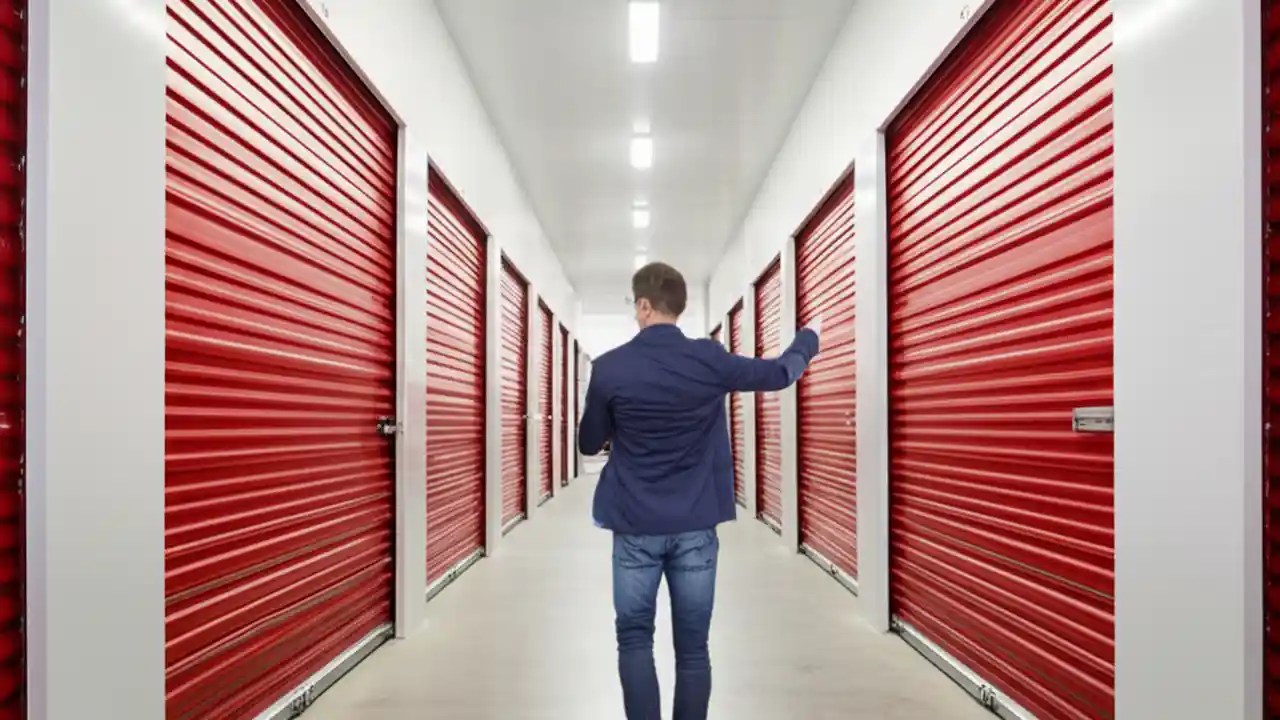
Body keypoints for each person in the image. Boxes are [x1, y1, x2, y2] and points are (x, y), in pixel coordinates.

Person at [578, 262, 821, 720]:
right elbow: (779, 374)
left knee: (634, 638)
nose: (636, 315)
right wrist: (808, 339)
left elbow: (589, 443)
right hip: (695, 528)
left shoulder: (610, 369)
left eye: (636, 307)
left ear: (646, 306)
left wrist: (616, 424)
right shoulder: (710, 360)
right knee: (693, 648)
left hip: (634, 527)